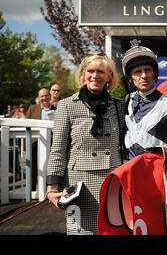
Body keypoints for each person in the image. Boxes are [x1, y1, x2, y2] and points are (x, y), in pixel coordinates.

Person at [46, 53, 125, 235]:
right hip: (80, 186)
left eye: (101, 71)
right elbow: (58, 148)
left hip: (112, 182)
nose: (95, 75)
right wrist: (52, 188)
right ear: (83, 74)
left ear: (109, 76)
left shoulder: (119, 106)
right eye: (90, 71)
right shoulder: (66, 105)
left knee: (112, 231)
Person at [26, 89, 56, 191]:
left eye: (46, 96)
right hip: (35, 141)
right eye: (42, 96)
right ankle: (32, 190)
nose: (44, 98)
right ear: (39, 98)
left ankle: (50, 190)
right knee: (33, 166)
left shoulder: (57, 109)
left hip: (52, 142)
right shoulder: (32, 108)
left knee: (51, 167)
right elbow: (26, 124)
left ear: (50, 96)